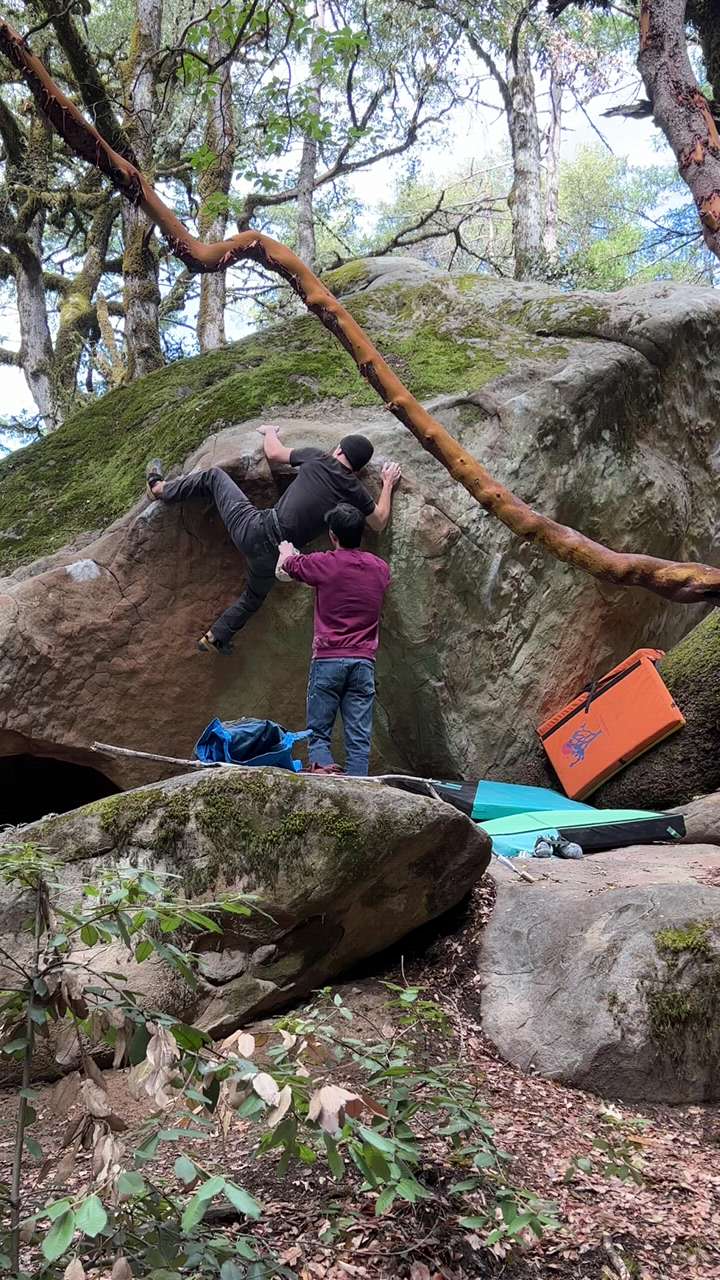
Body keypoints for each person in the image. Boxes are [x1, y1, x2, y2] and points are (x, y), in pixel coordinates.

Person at [145, 426, 401, 654]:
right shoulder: (354, 490)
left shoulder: (318, 457)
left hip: (255, 529)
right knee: (253, 597)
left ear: (339, 450)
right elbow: (379, 521)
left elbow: (274, 453)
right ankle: (216, 636)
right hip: (278, 558)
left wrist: (269, 432)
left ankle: (159, 489)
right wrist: (387, 483)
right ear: (357, 469)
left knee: (213, 477)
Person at [276, 503, 391, 776]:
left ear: (332, 535)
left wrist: (285, 551)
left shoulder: (324, 563)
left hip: (328, 660)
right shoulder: (380, 568)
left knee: (318, 734)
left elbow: (290, 566)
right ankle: (358, 786)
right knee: (359, 739)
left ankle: (324, 777)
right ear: (361, 534)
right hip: (363, 663)